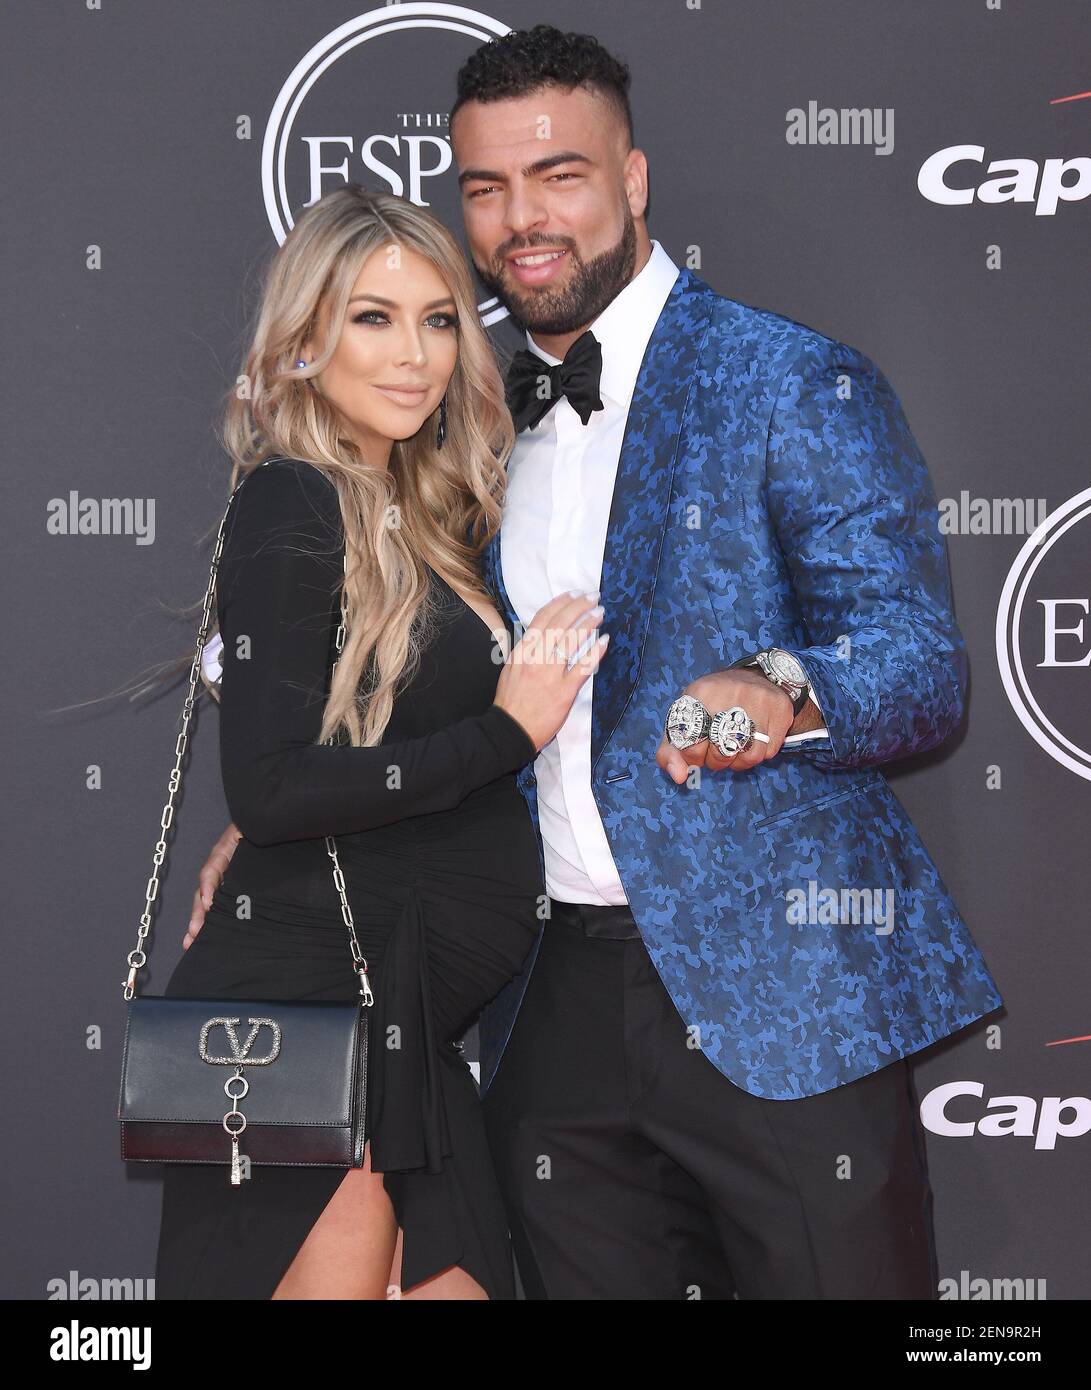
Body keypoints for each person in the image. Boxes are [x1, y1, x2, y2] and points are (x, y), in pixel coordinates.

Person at [192, 25, 1003, 1299]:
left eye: (559, 175)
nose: (523, 218)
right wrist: (289, 822)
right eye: (484, 187)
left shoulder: (790, 379)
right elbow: (396, 679)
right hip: (540, 1002)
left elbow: (916, 666)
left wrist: (777, 692)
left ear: (631, 181)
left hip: (777, 990)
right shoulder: (457, 427)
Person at [153, 182, 607, 1301]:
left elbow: (344, 750)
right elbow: (269, 786)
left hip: (402, 1023)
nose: (415, 354)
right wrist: (508, 731)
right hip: (301, 1017)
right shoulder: (290, 499)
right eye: (373, 317)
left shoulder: (426, 508)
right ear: (304, 343)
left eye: (439, 318)